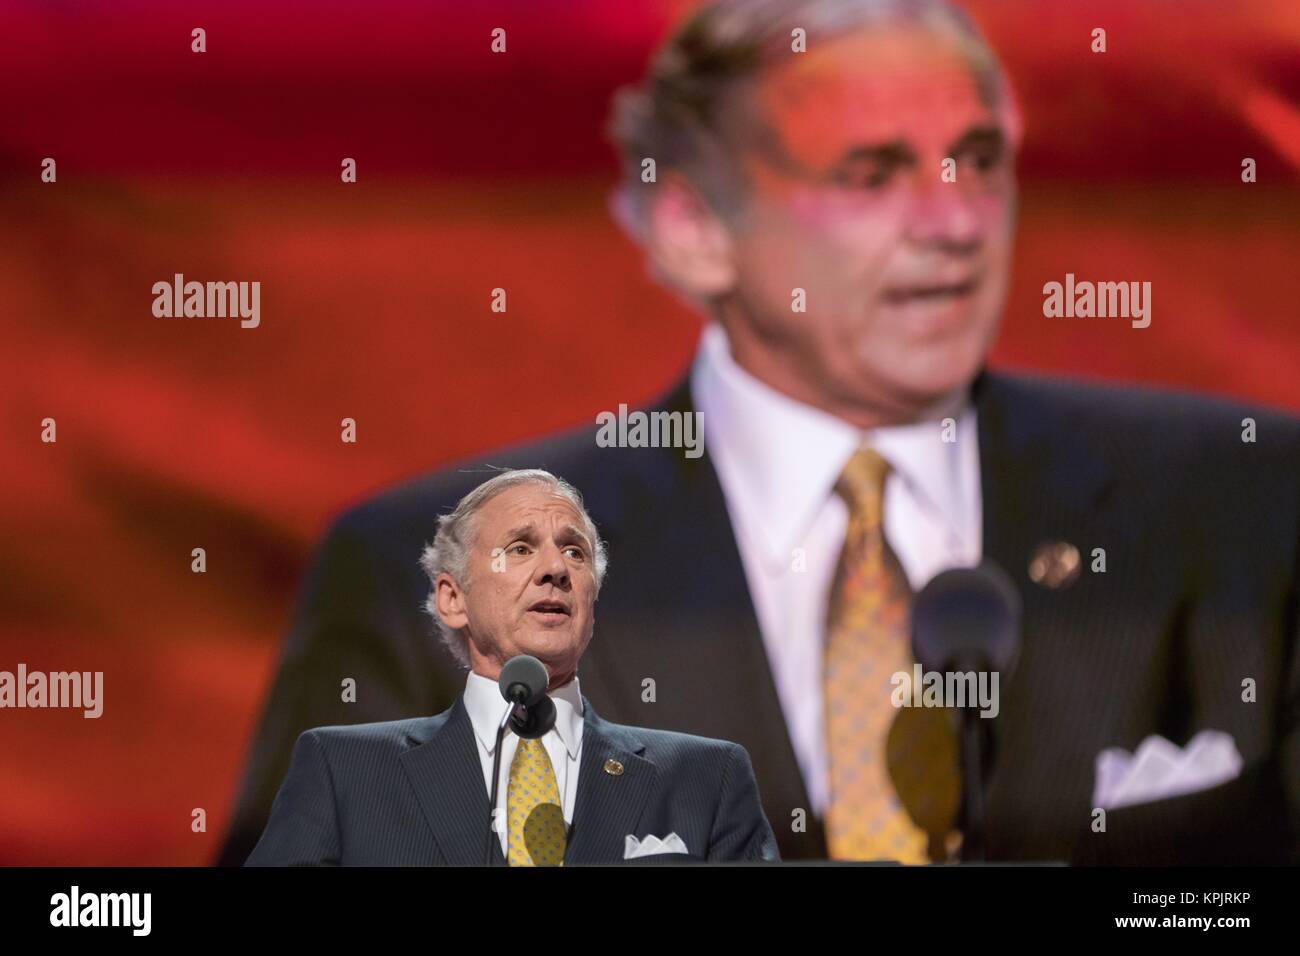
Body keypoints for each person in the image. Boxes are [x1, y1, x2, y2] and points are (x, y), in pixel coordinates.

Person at [223, 0, 1300, 865]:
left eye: (976, 160)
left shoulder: (1245, 497)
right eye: (870, 174)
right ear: (696, 231)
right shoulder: (427, 572)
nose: (954, 221)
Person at [245, 470, 779, 865]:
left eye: (575, 552)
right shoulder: (345, 772)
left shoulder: (704, 779)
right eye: (520, 548)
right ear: (453, 599)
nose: (555, 569)